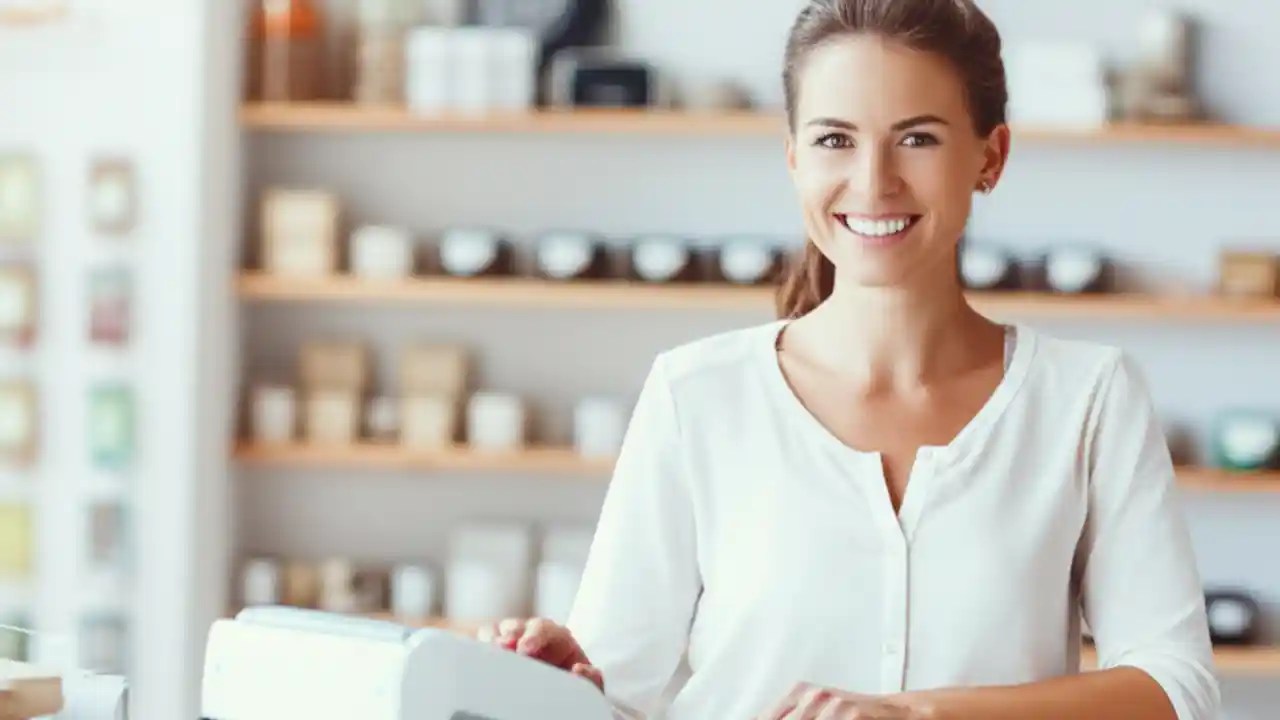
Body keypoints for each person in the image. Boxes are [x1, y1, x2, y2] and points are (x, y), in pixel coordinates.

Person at [479, 0, 1221, 718]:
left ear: (989, 156)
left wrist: (917, 714)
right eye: (836, 140)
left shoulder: (1087, 399)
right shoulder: (694, 394)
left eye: (918, 138)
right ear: (794, 158)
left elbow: (1176, 690)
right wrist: (561, 686)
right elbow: (616, 696)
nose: (873, 182)